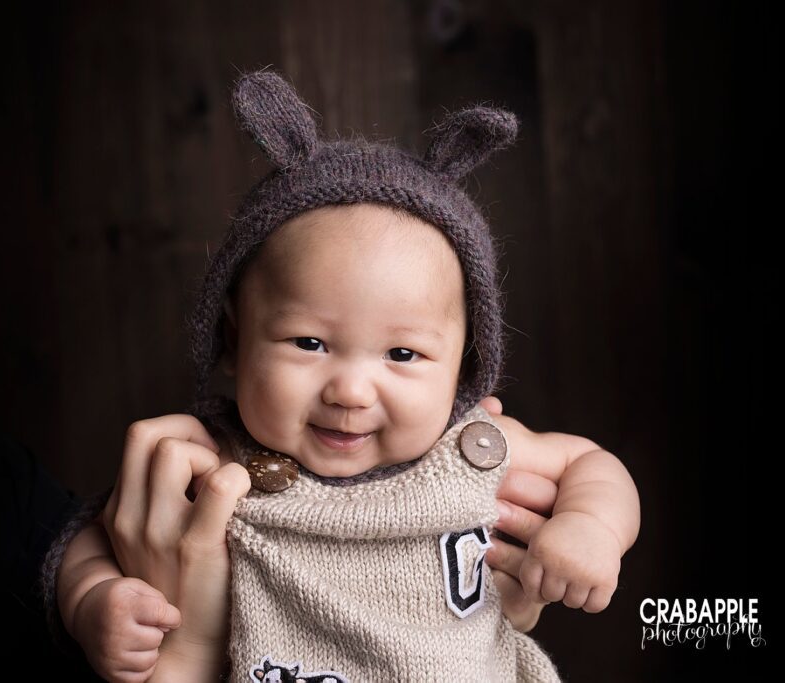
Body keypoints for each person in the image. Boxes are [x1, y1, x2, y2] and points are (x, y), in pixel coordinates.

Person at [41, 69, 640, 682]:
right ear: (233, 341)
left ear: (465, 364)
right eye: (309, 343)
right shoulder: (213, 462)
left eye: (402, 355)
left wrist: (589, 526)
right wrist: (95, 603)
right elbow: (95, 538)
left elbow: (588, 465)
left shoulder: (471, 450)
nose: (350, 393)